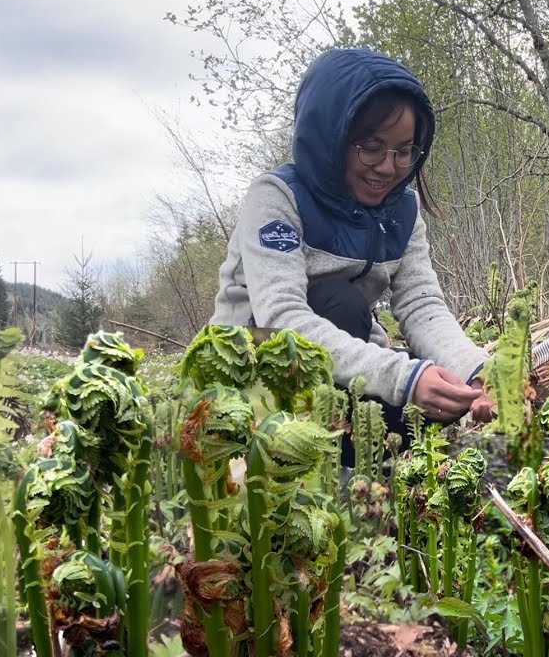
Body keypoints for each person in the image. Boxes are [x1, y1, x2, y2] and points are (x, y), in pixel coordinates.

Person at [210, 48, 495, 463]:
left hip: (343, 367)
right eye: (372, 147)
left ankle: (363, 471)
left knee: (435, 408)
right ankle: (312, 467)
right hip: (254, 371)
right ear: (332, 138)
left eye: (404, 151)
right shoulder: (277, 198)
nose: (388, 167)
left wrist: (477, 371)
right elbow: (282, 319)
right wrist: (403, 377)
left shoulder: (404, 211)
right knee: (339, 304)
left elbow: (421, 305)